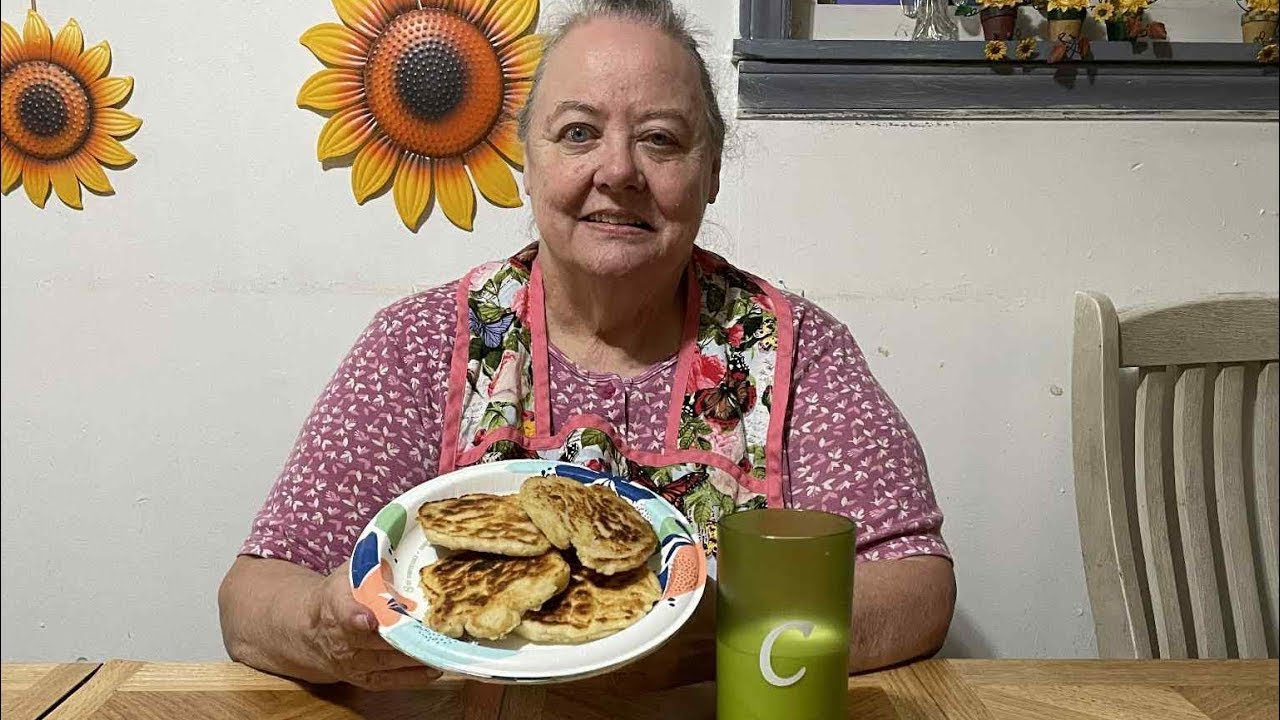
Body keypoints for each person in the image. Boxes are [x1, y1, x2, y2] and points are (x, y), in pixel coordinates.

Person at [218, 0, 955, 692]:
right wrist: (326, 629)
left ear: (713, 171)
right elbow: (252, 599)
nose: (618, 171)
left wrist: (713, 626)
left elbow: (916, 586)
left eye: (661, 138)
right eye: (577, 133)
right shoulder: (418, 344)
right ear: (527, 164)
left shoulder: (802, 351)